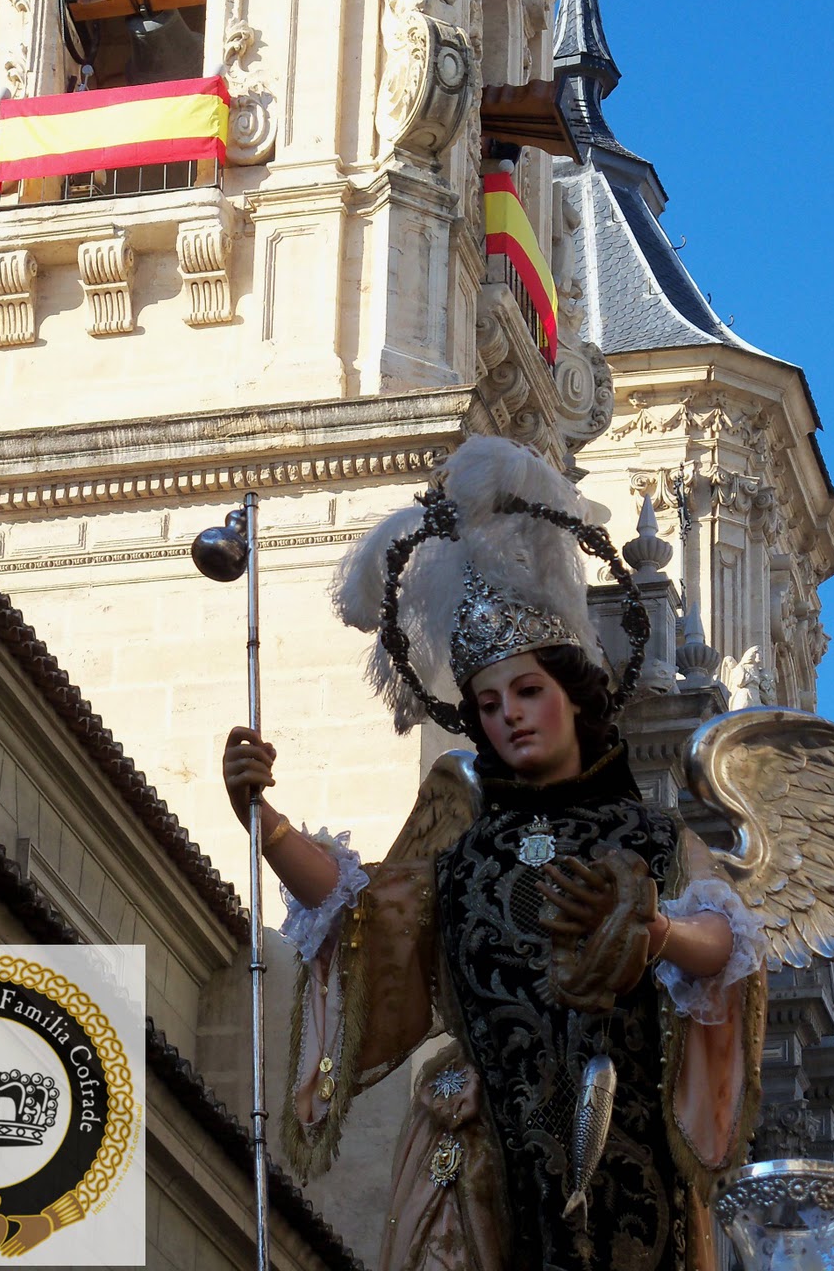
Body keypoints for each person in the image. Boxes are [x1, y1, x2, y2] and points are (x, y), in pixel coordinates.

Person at [222, 439, 766, 1271]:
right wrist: (266, 824)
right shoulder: (463, 829)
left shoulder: (650, 833)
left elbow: (726, 947)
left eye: (528, 691)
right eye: (488, 702)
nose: (509, 714)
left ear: (574, 698)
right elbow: (370, 915)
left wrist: (655, 932)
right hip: (478, 1147)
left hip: (620, 1144)